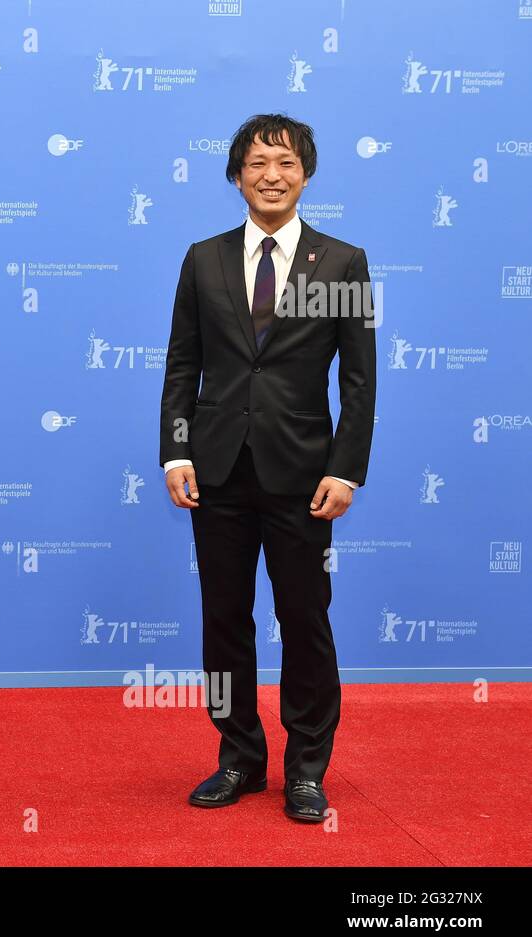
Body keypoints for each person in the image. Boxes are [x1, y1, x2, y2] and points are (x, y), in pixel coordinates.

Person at [158, 113, 375, 822]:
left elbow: (359, 380)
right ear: (236, 175)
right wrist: (177, 448)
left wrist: (346, 468)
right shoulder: (203, 259)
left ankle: (307, 768)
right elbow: (183, 365)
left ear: (305, 174)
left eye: (284, 163)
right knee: (223, 623)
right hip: (217, 471)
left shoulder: (342, 263)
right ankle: (238, 758)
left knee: (304, 618)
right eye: (256, 163)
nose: (270, 175)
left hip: (301, 476)